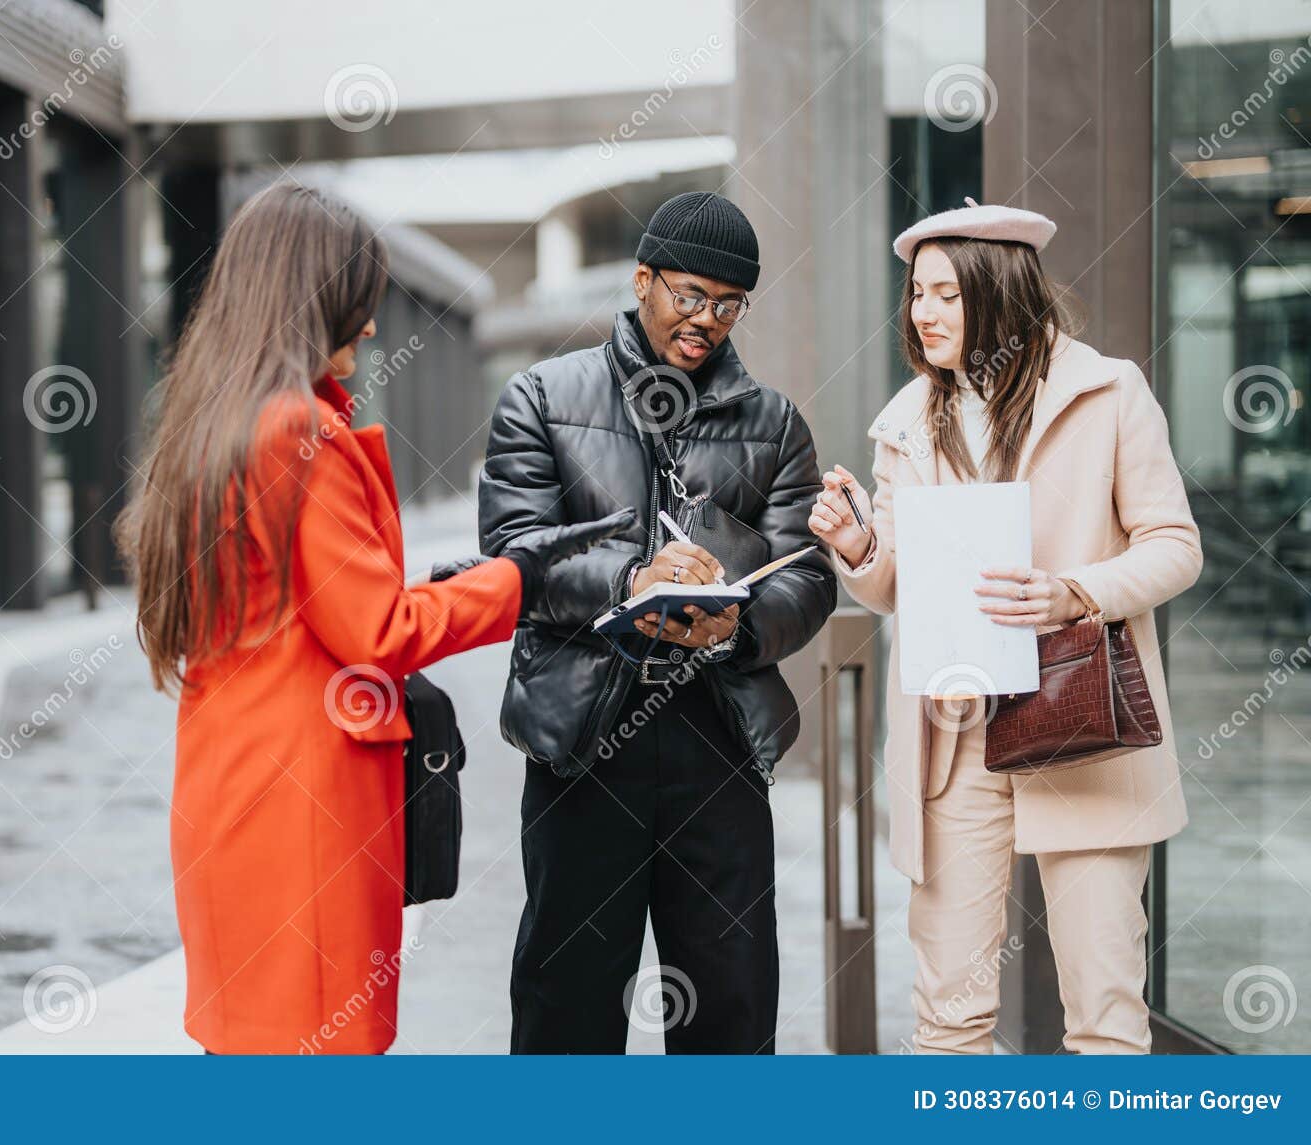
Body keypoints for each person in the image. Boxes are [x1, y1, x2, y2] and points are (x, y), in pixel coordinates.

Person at [115, 182, 630, 1055]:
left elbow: (297, 605)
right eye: (360, 302)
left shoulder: (214, 422)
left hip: (234, 789)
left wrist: (464, 578)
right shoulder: (297, 431)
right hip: (305, 809)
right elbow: (377, 631)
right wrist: (519, 577)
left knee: (249, 1045)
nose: (370, 326)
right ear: (312, 299)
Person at [807, 199, 1203, 1053]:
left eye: (947, 294)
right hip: (955, 734)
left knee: (1105, 1017)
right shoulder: (908, 420)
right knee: (948, 1014)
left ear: (999, 291)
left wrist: (1075, 592)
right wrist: (860, 545)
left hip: (1081, 723)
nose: (924, 312)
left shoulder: (1108, 391)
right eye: (917, 294)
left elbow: (1176, 546)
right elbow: (896, 587)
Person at [479, 191, 837, 1053]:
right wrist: (635, 577)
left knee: (732, 1008)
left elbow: (809, 573)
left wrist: (738, 627)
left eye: (728, 304)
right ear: (643, 279)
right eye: (689, 294)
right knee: (567, 1007)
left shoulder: (776, 424)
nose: (706, 320)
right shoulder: (540, 396)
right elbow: (515, 555)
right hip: (583, 742)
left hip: (718, 741)